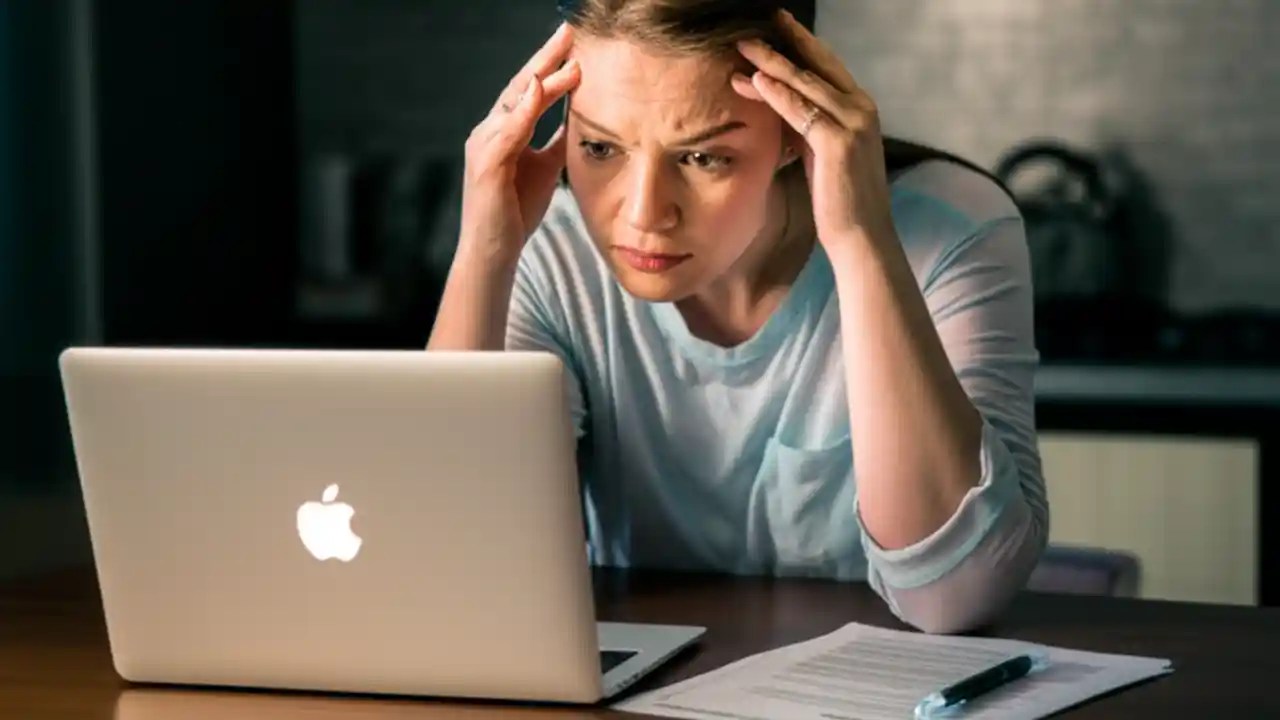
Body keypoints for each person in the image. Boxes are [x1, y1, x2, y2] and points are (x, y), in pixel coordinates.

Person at [428, 0, 1048, 635]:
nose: (643, 214)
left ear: (791, 130)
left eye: (703, 158)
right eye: (599, 147)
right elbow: (445, 563)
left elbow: (953, 597)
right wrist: (485, 251)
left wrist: (861, 241)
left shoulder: (951, 229)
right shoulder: (551, 252)